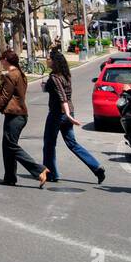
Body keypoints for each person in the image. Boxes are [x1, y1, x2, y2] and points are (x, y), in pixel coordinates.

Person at [0, 50, 49, 188]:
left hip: (15, 115)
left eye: (2, 59)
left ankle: (39, 170)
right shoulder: (20, 73)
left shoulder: (11, 75)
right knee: (7, 146)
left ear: (6, 60)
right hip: (19, 115)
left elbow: (5, 96)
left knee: (10, 146)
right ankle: (9, 178)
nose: (1, 62)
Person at [42, 47, 105, 185]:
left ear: (54, 61)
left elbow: (62, 97)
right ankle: (96, 167)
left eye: (48, 58)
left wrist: (67, 115)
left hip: (58, 114)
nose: (46, 60)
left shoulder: (54, 77)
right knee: (72, 143)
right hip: (68, 111)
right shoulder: (66, 75)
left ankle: (51, 173)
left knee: (49, 144)